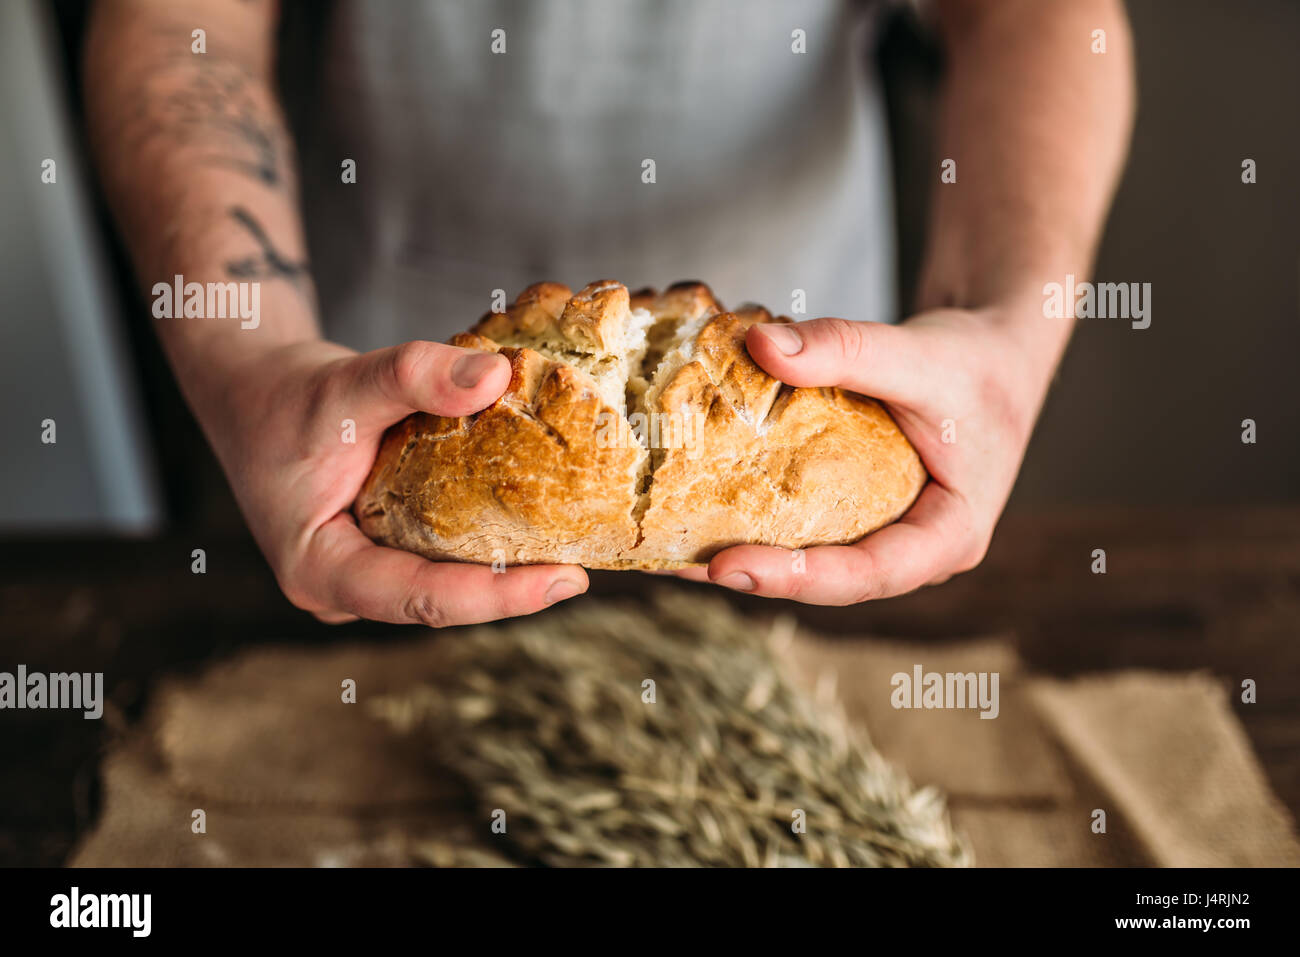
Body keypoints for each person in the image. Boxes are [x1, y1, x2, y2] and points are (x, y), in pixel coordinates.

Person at [83, 0, 1134, 626]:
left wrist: (1003, 330)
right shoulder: (336, 447)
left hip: (805, 442)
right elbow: (183, 22)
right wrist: (249, 352)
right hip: (356, 420)